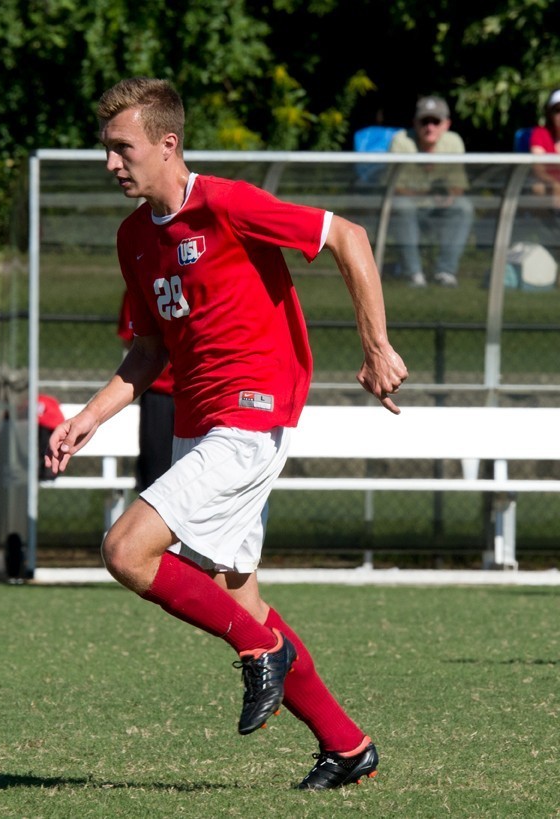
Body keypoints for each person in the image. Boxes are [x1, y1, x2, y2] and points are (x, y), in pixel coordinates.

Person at [45, 77, 408, 790]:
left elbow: (349, 236)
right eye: (106, 149)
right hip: (198, 422)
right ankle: (346, 745)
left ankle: (257, 650)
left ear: (167, 143)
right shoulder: (134, 239)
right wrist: (87, 416)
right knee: (236, 592)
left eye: (123, 148)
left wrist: (375, 345)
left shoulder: (225, 203)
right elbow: (148, 351)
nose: (111, 163)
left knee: (126, 549)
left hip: (253, 411)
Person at [389, 95, 474, 288]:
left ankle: (445, 272)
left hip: (439, 208)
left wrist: (449, 197)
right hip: (410, 208)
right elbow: (394, 188)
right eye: (424, 121)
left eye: (436, 121)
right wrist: (427, 194)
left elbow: (459, 186)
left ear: (446, 124)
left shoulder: (454, 143)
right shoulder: (401, 142)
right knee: (402, 207)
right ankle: (414, 274)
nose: (430, 127)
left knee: (463, 207)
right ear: (415, 123)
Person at [117, 289, 174, 489]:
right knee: (156, 482)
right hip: (159, 393)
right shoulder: (142, 277)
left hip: (200, 392)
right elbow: (132, 341)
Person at [527, 88, 560, 208]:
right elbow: (538, 168)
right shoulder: (540, 133)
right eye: (557, 110)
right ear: (550, 113)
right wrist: (554, 183)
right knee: (538, 187)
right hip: (548, 188)